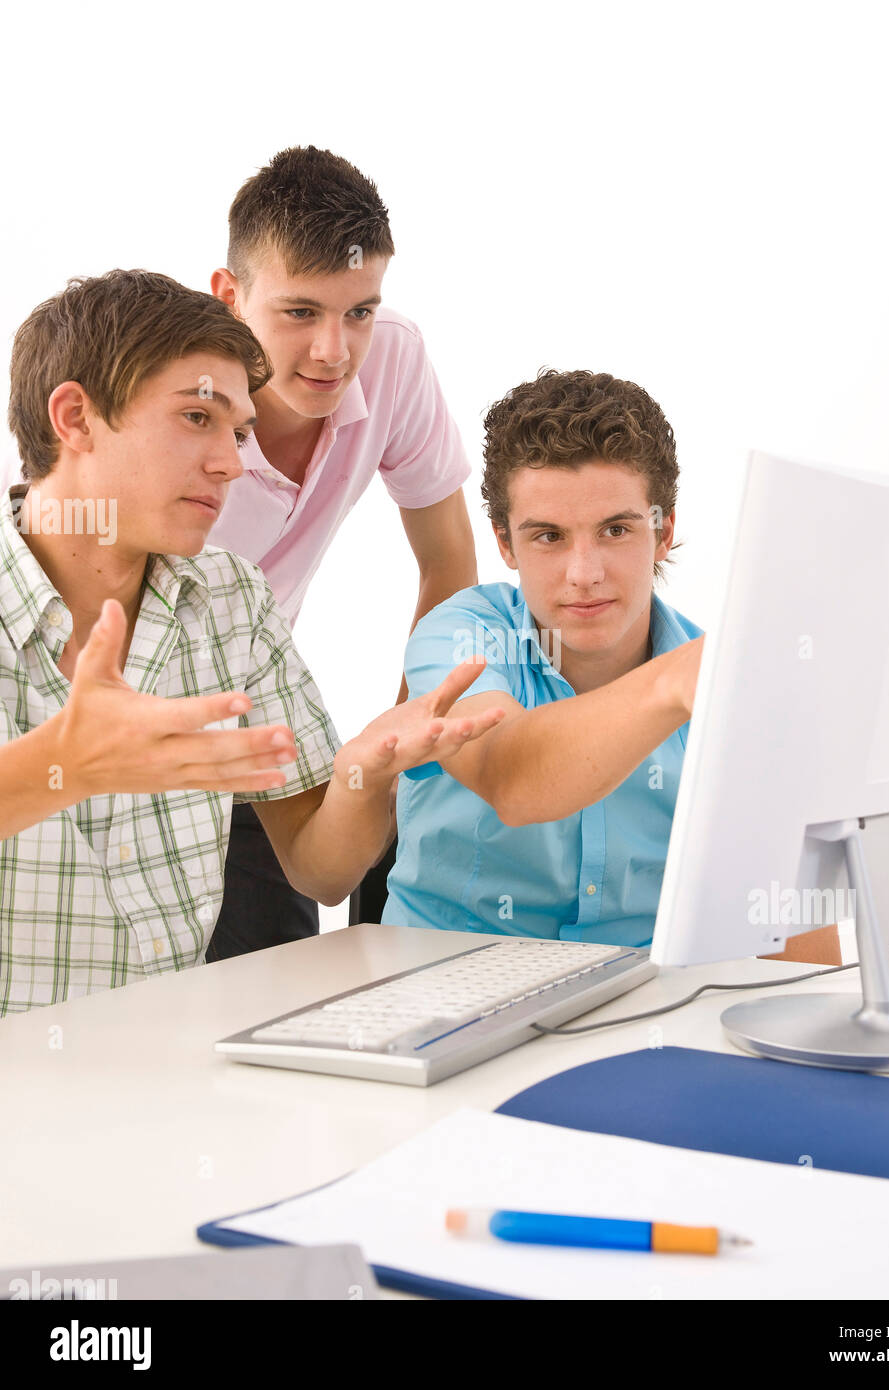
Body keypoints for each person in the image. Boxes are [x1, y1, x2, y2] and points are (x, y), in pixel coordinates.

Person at [0, 269, 501, 1016]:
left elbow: (319, 871)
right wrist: (62, 766)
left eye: (240, 431)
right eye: (198, 418)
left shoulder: (230, 594)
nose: (233, 462)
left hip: (174, 1081)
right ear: (75, 418)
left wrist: (368, 771)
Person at [381, 369, 840, 964]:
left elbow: (792, 933)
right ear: (505, 544)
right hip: (442, 981)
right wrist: (671, 685)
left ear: (663, 531)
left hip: (639, 1002)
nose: (584, 573)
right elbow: (514, 781)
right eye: (547, 536)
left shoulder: (719, 679)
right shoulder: (462, 634)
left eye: (616, 530)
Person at [205, 145, 478, 957]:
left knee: (278, 970)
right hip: (125, 729)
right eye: (300, 312)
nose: (334, 350)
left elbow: (449, 566)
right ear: (230, 296)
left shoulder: (392, 355)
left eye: (358, 309)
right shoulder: (171, 394)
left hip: (255, 712)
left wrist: (402, 743)